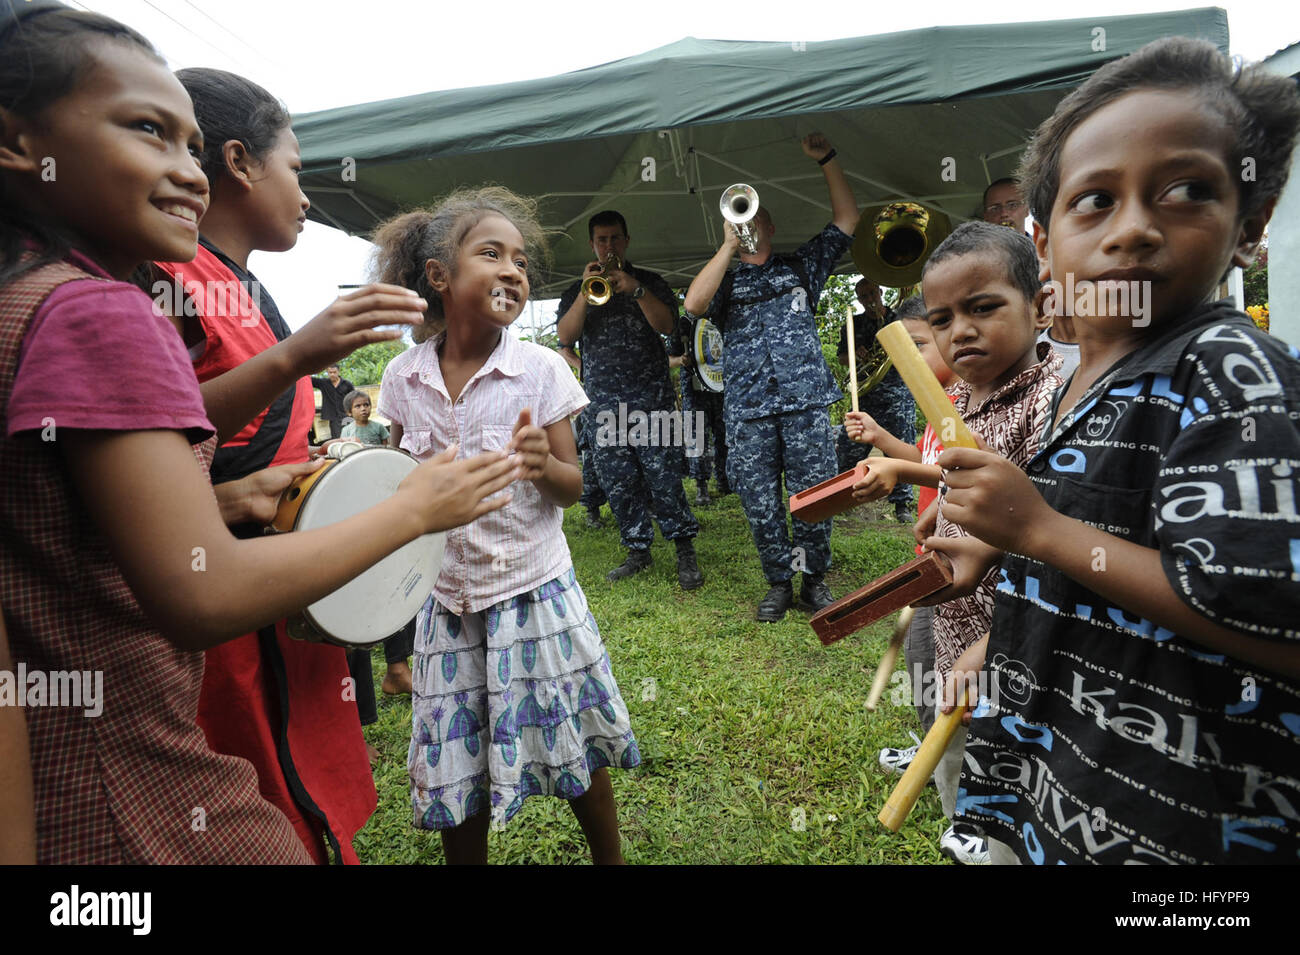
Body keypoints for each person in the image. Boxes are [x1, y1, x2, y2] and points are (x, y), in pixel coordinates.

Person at [0, 5, 518, 864]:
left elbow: (66, 510)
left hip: (56, 764)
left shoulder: (29, 292)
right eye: (147, 131)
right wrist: (414, 508)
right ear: (17, 144)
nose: (188, 172)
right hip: (134, 777)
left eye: (189, 146)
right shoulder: (99, 308)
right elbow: (199, 595)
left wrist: (225, 490)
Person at [933, 36, 1300, 864]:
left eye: (1186, 190)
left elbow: (1276, 621)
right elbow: (1101, 555)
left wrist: (1038, 531)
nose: (1133, 228)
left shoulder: (1231, 375)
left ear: (1251, 225)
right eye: (1094, 200)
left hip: (1181, 831)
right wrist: (1004, 605)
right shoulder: (1085, 384)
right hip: (1071, 787)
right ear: (1045, 239)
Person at [372, 187, 640, 865]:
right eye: (491, 253)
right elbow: (398, 478)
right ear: (440, 275)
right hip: (446, 601)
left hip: (533, 591)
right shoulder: (402, 377)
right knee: (453, 763)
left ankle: (609, 858)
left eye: (520, 259)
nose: (513, 269)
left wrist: (541, 463)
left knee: (573, 739)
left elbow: (573, 488)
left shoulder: (540, 368)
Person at [899, 221, 1064, 864]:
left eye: (983, 307)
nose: (959, 331)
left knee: (1019, 774)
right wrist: (940, 503)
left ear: (1041, 305)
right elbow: (964, 478)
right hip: (952, 619)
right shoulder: (958, 402)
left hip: (1016, 633)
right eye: (941, 319)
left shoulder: (1052, 407)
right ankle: (968, 829)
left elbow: (1055, 537)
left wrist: (993, 647)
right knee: (961, 757)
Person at [683, 133, 858, 621]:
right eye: (739, 221)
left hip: (804, 404)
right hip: (750, 412)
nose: (748, 226)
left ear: (771, 224)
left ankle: (814, 581)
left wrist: (828, 158)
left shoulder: (801, 266)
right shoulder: (726, 280)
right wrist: (724, 246)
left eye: (753, 217)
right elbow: (694, 305)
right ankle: (779, 583)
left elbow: (847, 220)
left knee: (815, 494)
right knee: (761, 503)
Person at [556, 211, 703, 589]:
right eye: (601, 240)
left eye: (615, 239)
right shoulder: (579, 290)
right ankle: (637, 548)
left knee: (664, 476)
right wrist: (587, 294)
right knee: (618, 481)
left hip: (650, 399)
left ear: (626, 240)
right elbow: (565, 337)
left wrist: (636, 289)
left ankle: (684, 548)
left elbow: (669, 327)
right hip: (603, 403)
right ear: (592, 245)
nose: (608, 246)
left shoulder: (650, 282)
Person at [845, 299, 954, 777]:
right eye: (902, 351)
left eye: (919, 347)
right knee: (920, 663)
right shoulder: (934, 412)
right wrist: (883, 440)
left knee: (943, 667)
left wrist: (897, 468)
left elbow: (957, 469)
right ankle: (932, 747)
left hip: (958, 562)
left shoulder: (964, 405)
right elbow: (924, 458)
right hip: (929, 559)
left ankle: (956, 763)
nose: (909, 362)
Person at [836, 278, 917, 522]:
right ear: (859, 300)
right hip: (866, 396)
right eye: (863, 296)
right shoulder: (853, 324)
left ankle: (902, 505)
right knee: (849, 447)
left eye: (872, 293)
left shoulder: (899, 319)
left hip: (898, 395)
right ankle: (842, 497)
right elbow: (841, 357)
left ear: (880, 291)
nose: (869, 299)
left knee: (900, 448)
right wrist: (855, 355)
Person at [668, 314, 729, 505]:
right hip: (695, 389)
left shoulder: (721, 315)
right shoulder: (683, 324)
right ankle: (701, 486)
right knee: (697, 437)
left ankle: (725, 481)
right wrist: (681, 360)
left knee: (725, 434)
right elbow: (667, 357)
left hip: (721, 384)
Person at [560, 342, 608, 527]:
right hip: (595, 400)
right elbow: (564, 350)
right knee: (591, 455)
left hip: (630, 396)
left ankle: (647, 503)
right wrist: (584, 369)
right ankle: (592, 510)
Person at [311, 364, 354, 439]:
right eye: (330, 372)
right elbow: (308, 379)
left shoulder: (347, 384)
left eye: (334, 372)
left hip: (346, 416)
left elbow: (354, 398)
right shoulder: (323, 383)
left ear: (338, 371)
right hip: (334, 418)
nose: (332, 374)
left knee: (350, 437)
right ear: (327, 372)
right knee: (337, 439)